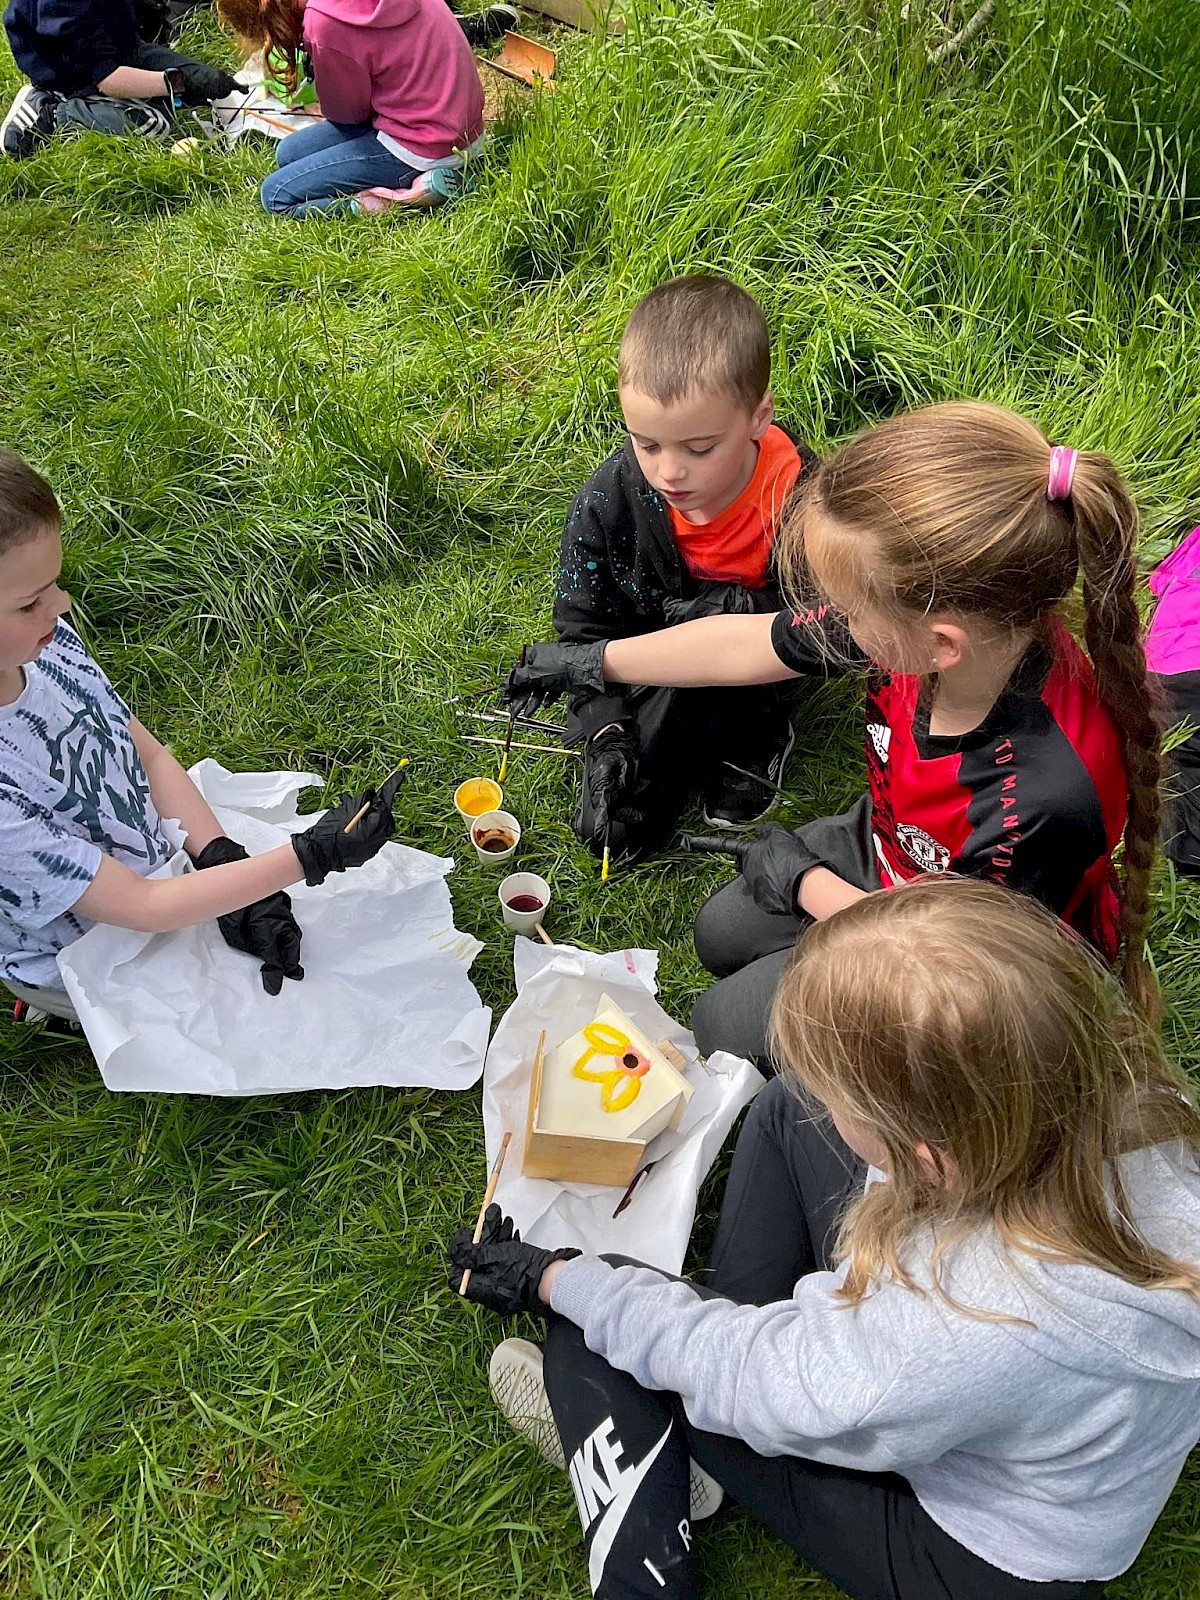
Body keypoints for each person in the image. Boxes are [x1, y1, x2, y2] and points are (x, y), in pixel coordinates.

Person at [450, 878, 1200, 1600]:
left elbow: (782, 1379)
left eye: (850, 1100)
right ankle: (702, 1421)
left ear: (926, 1155)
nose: (828, 1101)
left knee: (596, 1320)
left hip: (985, 1555)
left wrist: (556, 1279)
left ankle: (645, 1569)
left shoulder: (963, 1319)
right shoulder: (1128, 1106)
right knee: (790, 1107)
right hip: (1011, 1423)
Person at [506, 402, 1162, 1060]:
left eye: (848, 609)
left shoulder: (1043, 799)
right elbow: (747, 644)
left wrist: (809, 884)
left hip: (968, 960)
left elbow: (961, 970)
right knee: (717, 934)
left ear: (941, 645)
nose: (835, 620)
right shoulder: (933, 624)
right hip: (893, 847)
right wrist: (596, 662)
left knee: (719, 1027)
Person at [0, 448, 402, 1021]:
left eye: (55, 584)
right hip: (90, 952)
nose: (61, 606)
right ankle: (49, 1008)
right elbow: (142, 906)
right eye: (30, 602)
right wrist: (311, 855)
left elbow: (145, 754)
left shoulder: (46, 643)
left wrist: (218, 856)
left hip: (159, 874)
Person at [542, 275, 818, 861]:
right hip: (649, 664)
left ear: (759, 417)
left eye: (699, 448)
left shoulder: (807, 503)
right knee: (615, 831)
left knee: (738, 706)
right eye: (646, 445)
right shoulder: (607, 502)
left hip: (755, 672)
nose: (669, 473)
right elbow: (583, 632)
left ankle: (756, 741)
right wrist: (606, 731)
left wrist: (735, 611)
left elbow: (823, 628)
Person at [215, 0, 488, 218]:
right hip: (459, 124)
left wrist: (327, 88)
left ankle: (392, 200)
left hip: (426, 145)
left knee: (276, 195)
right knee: (287, 153)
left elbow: (350, 114)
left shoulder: (323, 23)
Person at [0, 0, 238, 159]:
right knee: (153, 123)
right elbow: (108, 78)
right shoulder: (66, 7)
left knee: (206, 79)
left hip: (124, 48)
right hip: (75, 76)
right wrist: (178, 82)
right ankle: (52, 113)